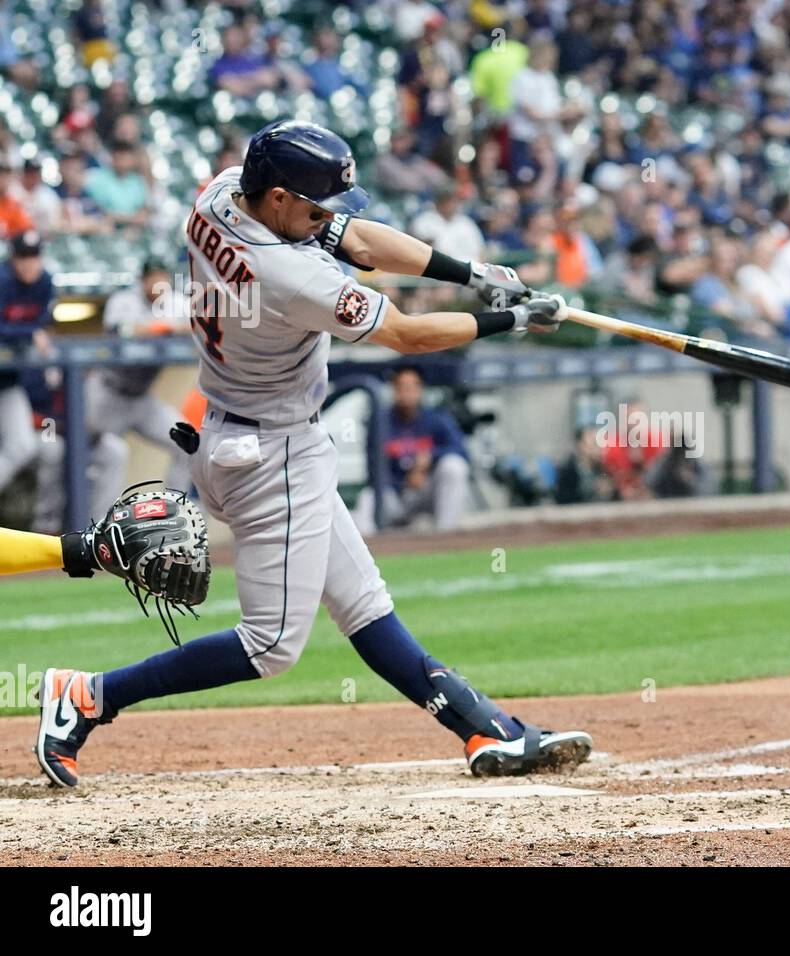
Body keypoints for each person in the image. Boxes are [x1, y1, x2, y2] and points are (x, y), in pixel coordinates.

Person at [33, 120, 591, 789]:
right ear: (276, 199)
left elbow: (356, 238)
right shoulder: (288, 275)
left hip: (238, 432)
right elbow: (408, 335)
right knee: (270, 645)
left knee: (363, 603)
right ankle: (89, 696)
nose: (325, 218)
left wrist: (475, 275)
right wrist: (514, 320)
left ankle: (483, 729)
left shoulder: (218, 195)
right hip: (272, 455)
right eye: (313, 207)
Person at [84, 261, 193, 514]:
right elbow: (121, 330)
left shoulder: (174, 302)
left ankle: (175, 518)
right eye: (154, 278)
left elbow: (198, 326)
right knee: (97, 458)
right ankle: (95, 531)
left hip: (142, 399)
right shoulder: (124, 301)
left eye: (163, 278)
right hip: (107, 394)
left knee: (189, 445)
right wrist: (161, 329)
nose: (159, 285)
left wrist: (169, 328)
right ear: (143, 280)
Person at [382, 365, 471, 530]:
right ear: (394, 390)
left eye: (412, 387)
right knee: (369, 498)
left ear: (420, 389)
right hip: (396, 493)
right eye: (401, 387)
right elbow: (374, 468)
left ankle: (446, 535)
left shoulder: (436, 418)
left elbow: (462, 451)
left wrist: (430, 457)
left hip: (428, 490)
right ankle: (371, 547)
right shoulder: (382, 422)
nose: (407, 392)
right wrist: (404, 481)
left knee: (454, 466)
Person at [0, 231, 53, 497]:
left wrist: (30, 332)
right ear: (13, 259)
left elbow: (42, 322)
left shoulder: (45, 282)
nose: (29, 264)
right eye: (23, 257)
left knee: (23, 446)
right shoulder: (2, 280)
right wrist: (27, 333)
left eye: (34, 257)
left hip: (7, 382)